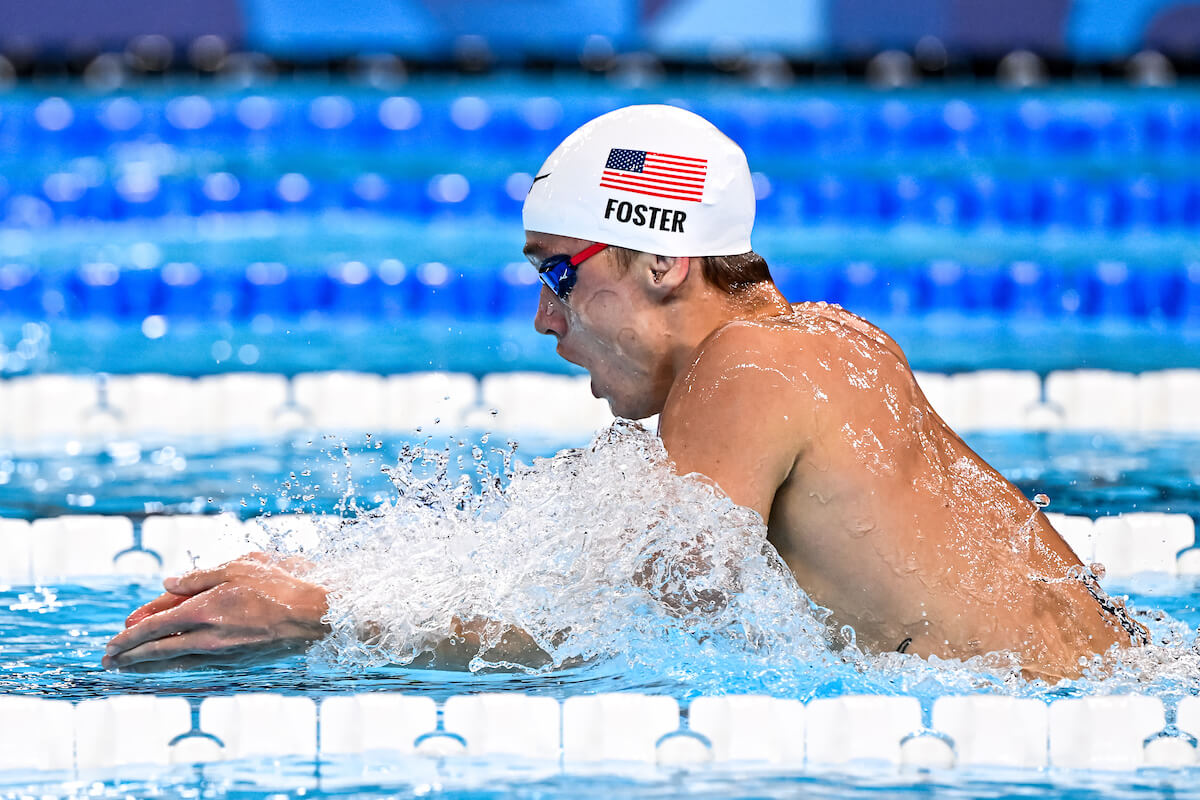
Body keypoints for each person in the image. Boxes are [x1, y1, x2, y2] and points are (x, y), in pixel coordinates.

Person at [103, 105, 1146, 681]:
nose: (544, 319)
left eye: (558, 271)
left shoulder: (746, 366)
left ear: (660, 261)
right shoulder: (829, 341)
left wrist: (323, 613)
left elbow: (621, 620)